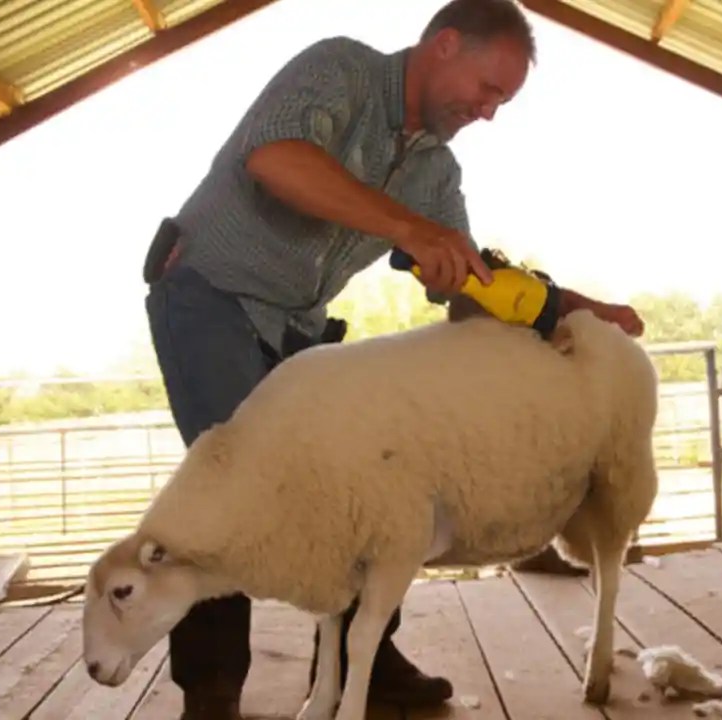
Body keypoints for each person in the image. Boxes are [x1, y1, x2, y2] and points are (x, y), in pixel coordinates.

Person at [140, 1, 644, 718]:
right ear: (444, 46)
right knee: (233, 480)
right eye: (489, 88)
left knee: (357, 481)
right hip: (208, 296)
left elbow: (474, 286)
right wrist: (409, 227)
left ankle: (363, 665)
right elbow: (277, 157)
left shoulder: (436, 173)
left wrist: (575, 309)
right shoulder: (340, 69)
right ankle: (213, 686)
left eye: (503, 100)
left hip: (298, 326)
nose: (490, 111)